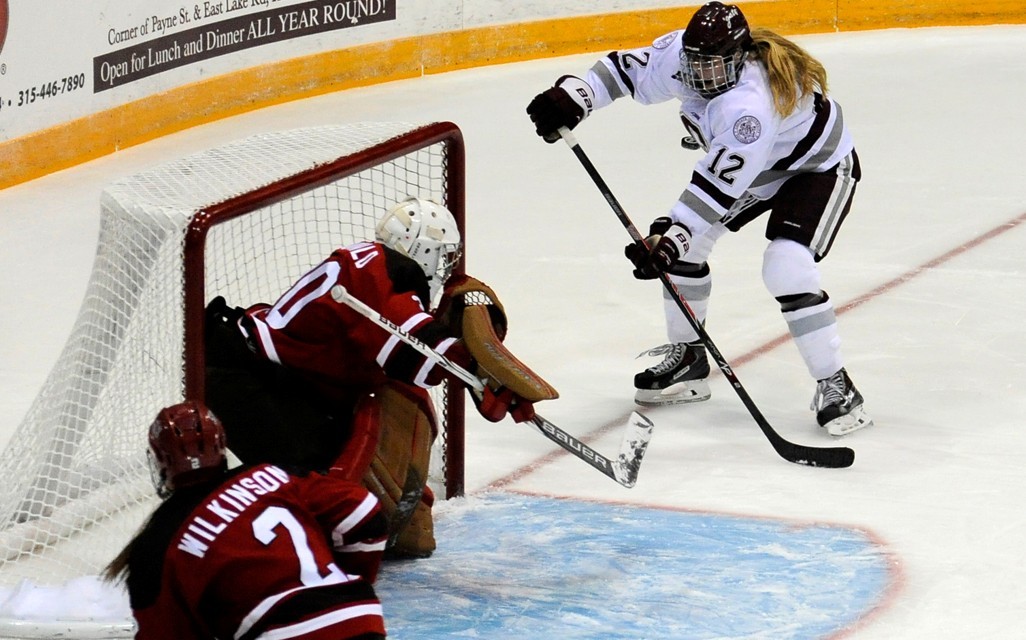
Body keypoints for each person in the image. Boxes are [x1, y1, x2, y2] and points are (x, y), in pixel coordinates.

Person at [526, 1, 872, 436]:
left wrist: (673, 237)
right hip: (757, 170)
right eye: (695, 62)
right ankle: (690, 359)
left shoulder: (749, 107)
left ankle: (836, 383)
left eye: (713, 65)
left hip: (816, 168)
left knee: (786, 267)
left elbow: (713, 191)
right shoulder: (682, 56)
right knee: (681, 247)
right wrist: (576, 95)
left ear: (739, 57)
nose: (700, 74)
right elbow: (621, 72)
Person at [204, 196, 557, 558]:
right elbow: (416, 351)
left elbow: (408, 358)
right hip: (246, 377)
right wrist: (476, 370)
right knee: (322, 502)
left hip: (288, 379)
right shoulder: (383, 269)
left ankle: (377, 507)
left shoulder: (380, 267)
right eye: (443, 254)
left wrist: (477, 371)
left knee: (396, 397)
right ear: (421, 249)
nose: (448, 266)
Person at [104, 401, 390, 639]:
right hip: (359, 617)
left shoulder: (158, 543)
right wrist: (344, 579)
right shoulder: (274, 474)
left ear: (160, 460)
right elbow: (364, 511)